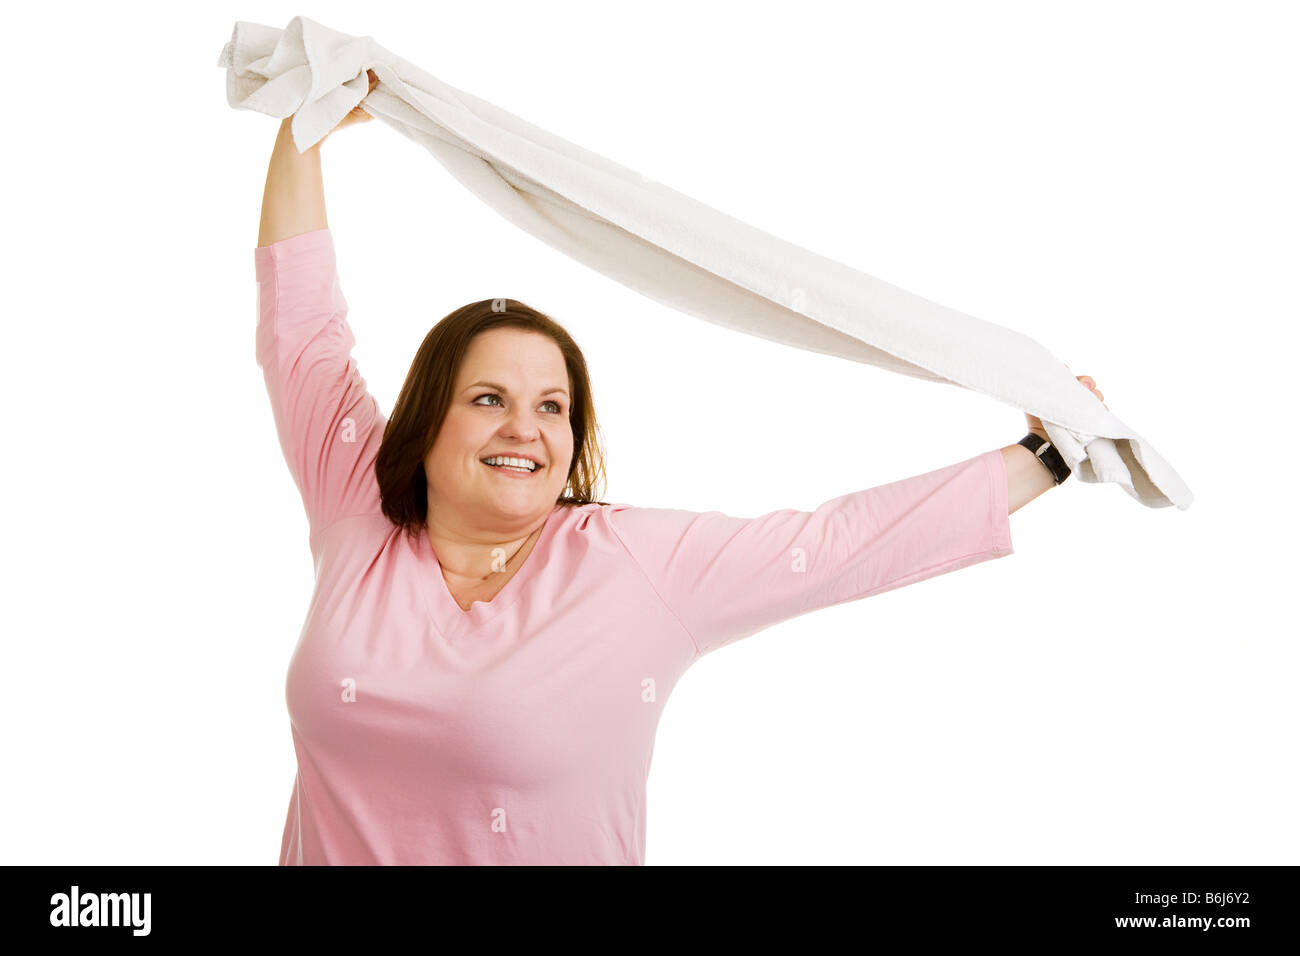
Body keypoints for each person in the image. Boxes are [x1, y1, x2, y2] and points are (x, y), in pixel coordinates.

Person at [254, 70, 1108, 865]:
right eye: (488, 399)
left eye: (553, 407)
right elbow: (302, 331)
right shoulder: (355, 500)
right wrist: (306, 120)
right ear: (426, 417)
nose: (525, 428)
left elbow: (838, 546)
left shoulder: (630, 566)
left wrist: (1043, 458)